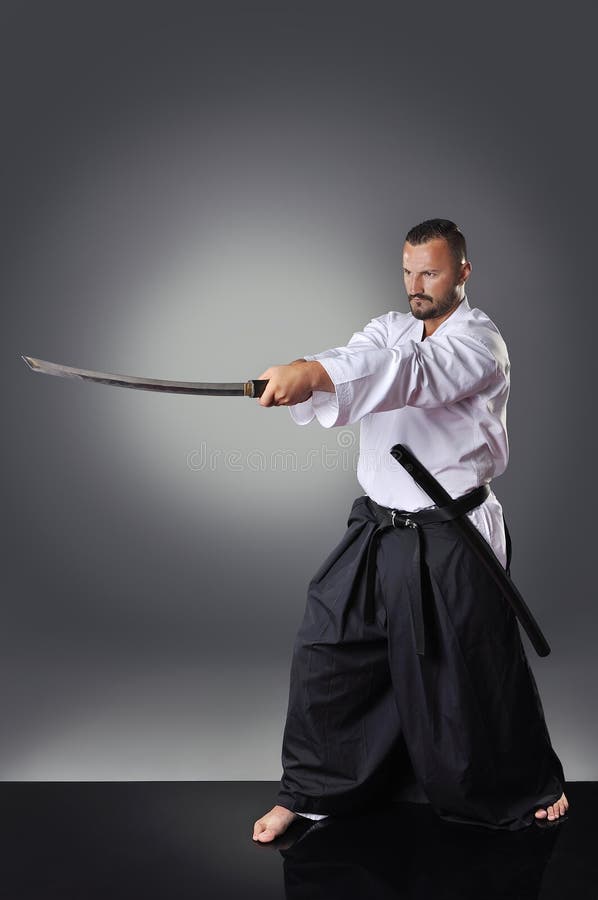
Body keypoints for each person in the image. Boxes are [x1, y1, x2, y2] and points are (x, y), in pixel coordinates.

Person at [251, 219, 568, 843]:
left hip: (453, 535)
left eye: (431, 272)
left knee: (469, 667)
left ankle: (525, 785)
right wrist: (307, 376)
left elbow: (414, 374)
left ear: (463, 272)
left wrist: (313, 375)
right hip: (379, 528)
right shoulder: (389, 328)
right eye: (408, 272)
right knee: (328, 648)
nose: (416, 285)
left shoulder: (480, 343)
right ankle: (313, 790)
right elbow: (364, 362)